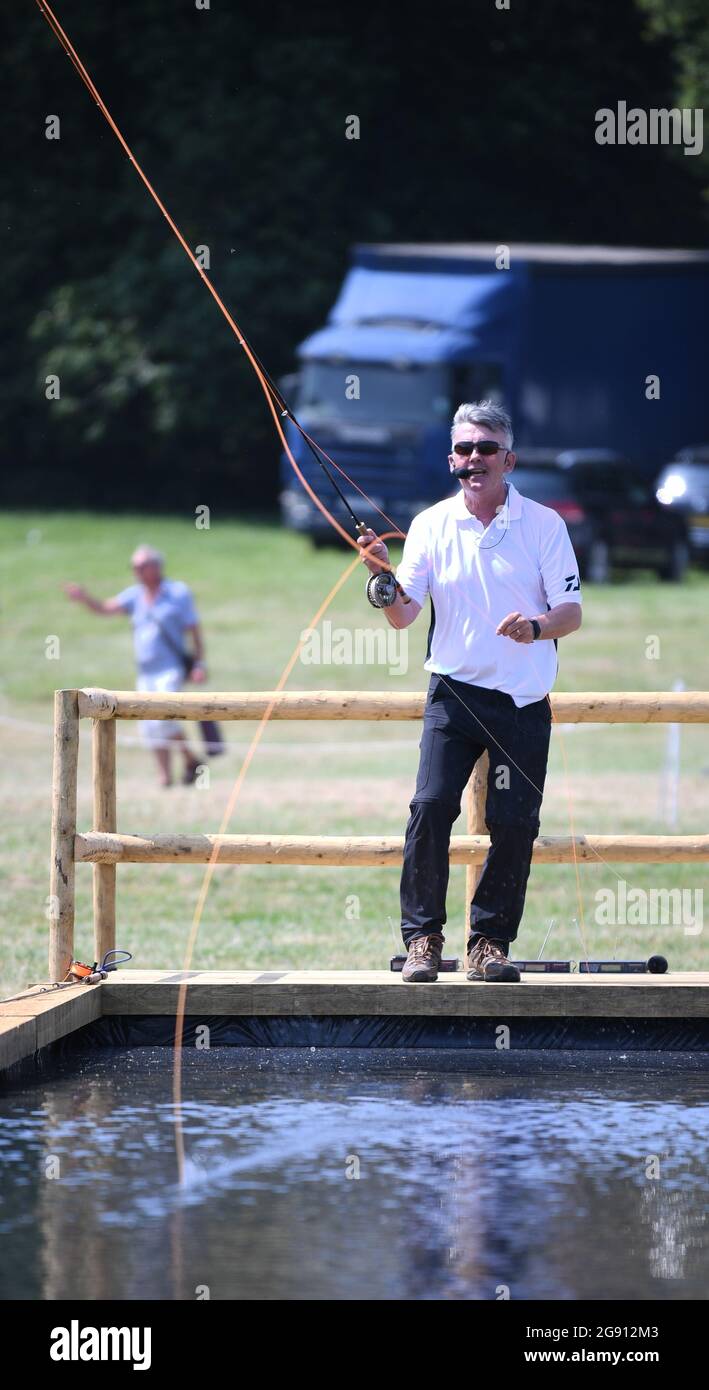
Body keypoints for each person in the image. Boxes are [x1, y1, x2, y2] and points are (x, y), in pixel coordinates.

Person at [358, 401, 583, 983]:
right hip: (453, 696)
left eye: (485, 449)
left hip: (522, 700)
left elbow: (571, 612)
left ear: (509, 459)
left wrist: (535, 628)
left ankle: (488, 945)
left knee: (515, 822)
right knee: (430, 809)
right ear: (451, 459)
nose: (473, 459)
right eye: (463, 449)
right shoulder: (432, 524)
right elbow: (403, 614)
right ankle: (423, 943)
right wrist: (380, 577)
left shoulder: (545, 524)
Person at [65, 545, 207, 787]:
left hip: (170, 668)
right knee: (149, 725)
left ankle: (189, 759)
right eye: (134, 567)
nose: (136, 571)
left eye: (141, 566)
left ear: (156, 567)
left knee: (163, 718)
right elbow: (105, 608)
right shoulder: (134, 595)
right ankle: (167, 775)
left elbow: (194, 628)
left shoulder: (177, 592)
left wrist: (199, 662)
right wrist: (84, 598)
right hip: (146, 671)